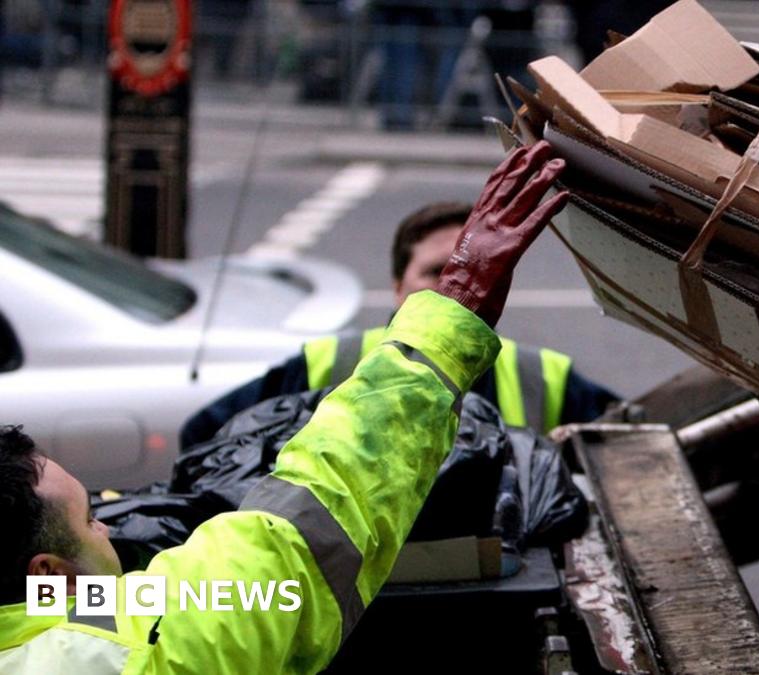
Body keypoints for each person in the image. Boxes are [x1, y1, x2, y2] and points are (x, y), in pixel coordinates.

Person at [0, 142, 569, 672]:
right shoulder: (105, 648)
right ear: (48, 577)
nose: (109, 525)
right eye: (91, 519)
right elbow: (300, 535)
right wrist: (453, 311)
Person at [180, 202, 616, 448]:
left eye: (472, 273)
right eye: (436, 272)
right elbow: (205, 436)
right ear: (396, 287)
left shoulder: (543, 377)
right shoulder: (325, 365)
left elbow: (628, 448)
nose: (454, 289)